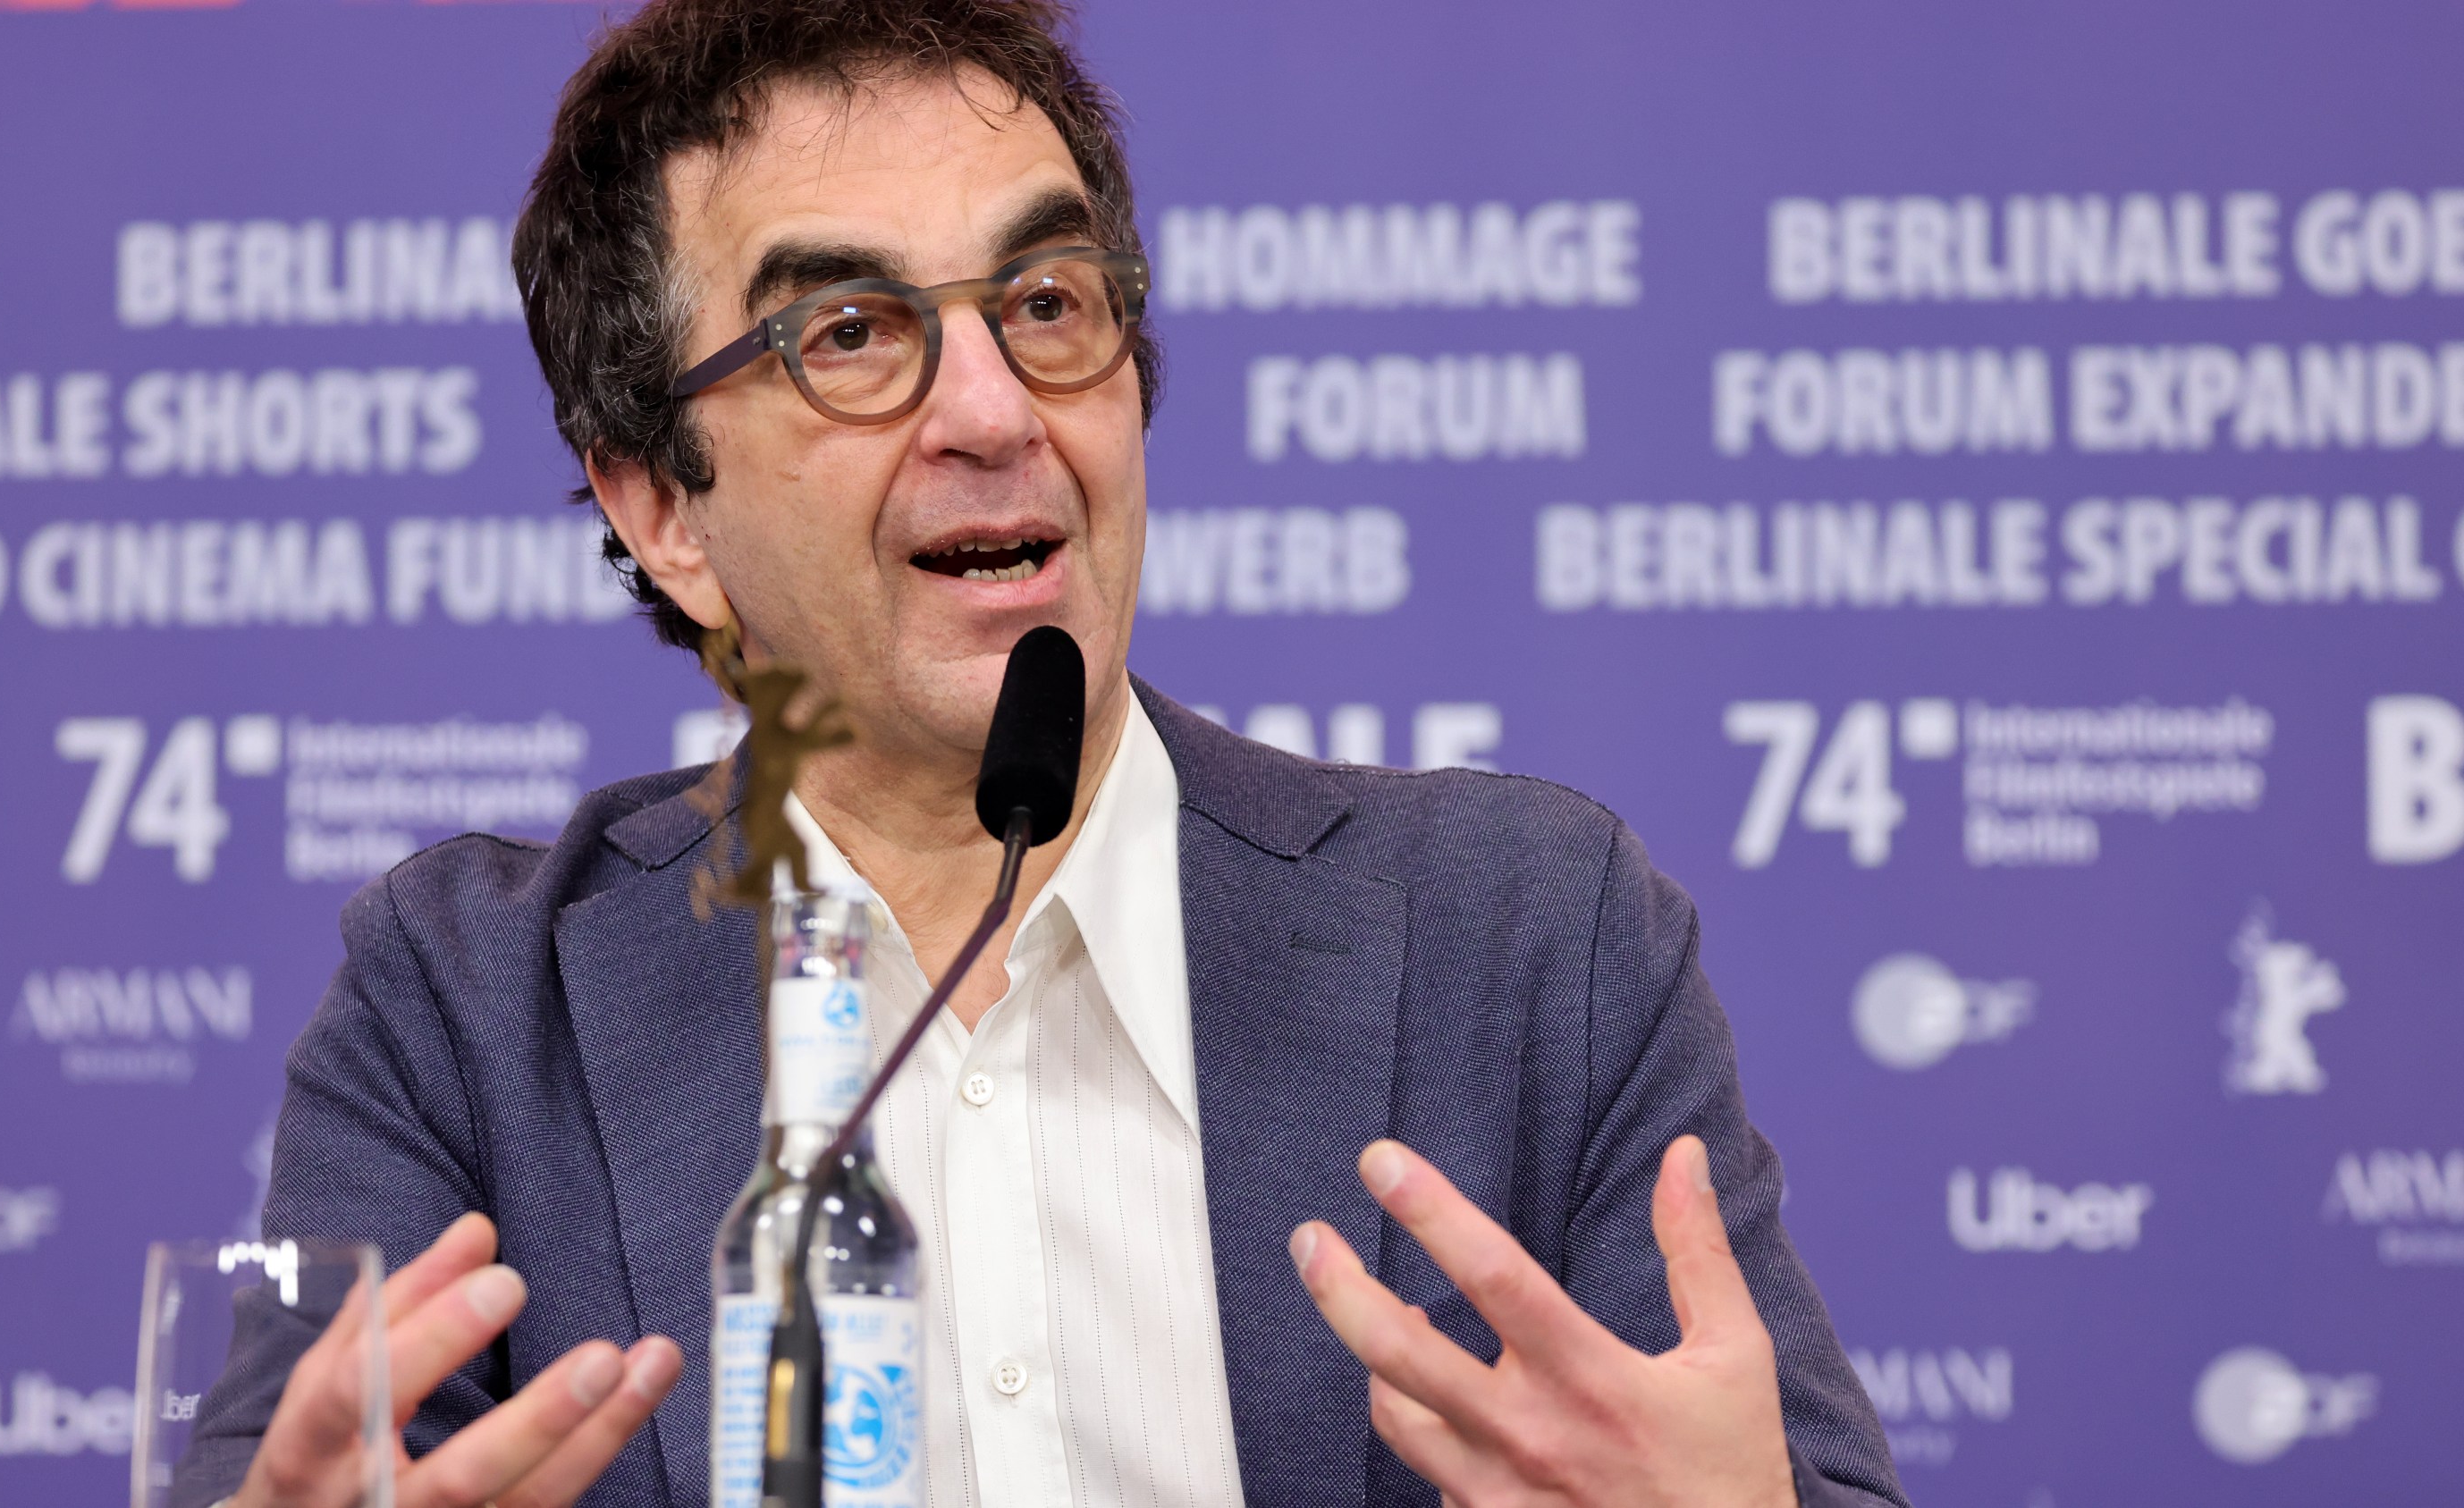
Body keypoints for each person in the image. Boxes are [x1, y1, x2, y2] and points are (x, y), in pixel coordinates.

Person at [208, 2, 1905, 1505]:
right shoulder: (468, 1007)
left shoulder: (1529, 939)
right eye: (853, 334)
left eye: (1045, 299)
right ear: (663, 511)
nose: (997, 411)